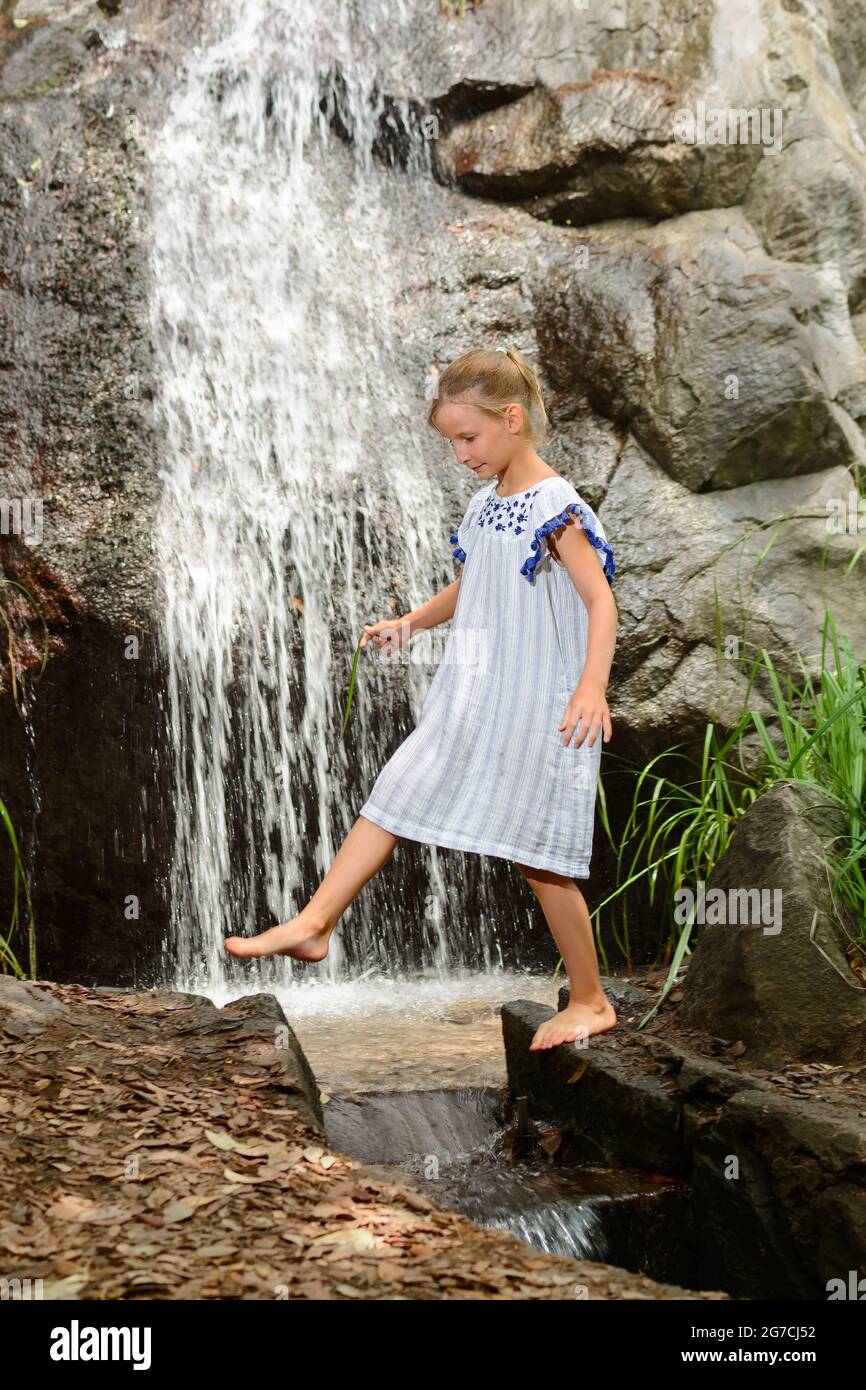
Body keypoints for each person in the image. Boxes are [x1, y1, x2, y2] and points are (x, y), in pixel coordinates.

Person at [225, 347, 619, 1052]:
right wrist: (412, 621)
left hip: (540, 702)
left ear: (513, 418)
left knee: (541, 860)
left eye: (468, 438)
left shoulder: (557, 506)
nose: (460, 454)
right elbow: (477, 586)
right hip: (475, 696)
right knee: (398, 787)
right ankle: (315, 922)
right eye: (451, 443)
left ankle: (590, 999)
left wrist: (592, 686)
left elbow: (600, 599)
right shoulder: (486, 504)